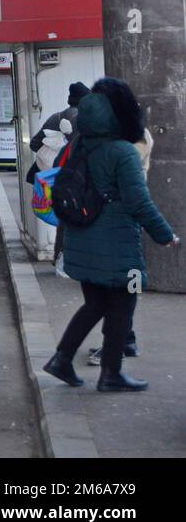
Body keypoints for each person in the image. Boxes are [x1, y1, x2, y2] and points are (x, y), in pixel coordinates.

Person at [42, 79, 180, 392]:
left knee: (95, 304)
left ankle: (62, 360)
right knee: (123, 306)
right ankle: (111, 374)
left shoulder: (79, 144)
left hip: (82, 241)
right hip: (119, 248)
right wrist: (165, 235)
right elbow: (138, 202)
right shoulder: (123, 152)